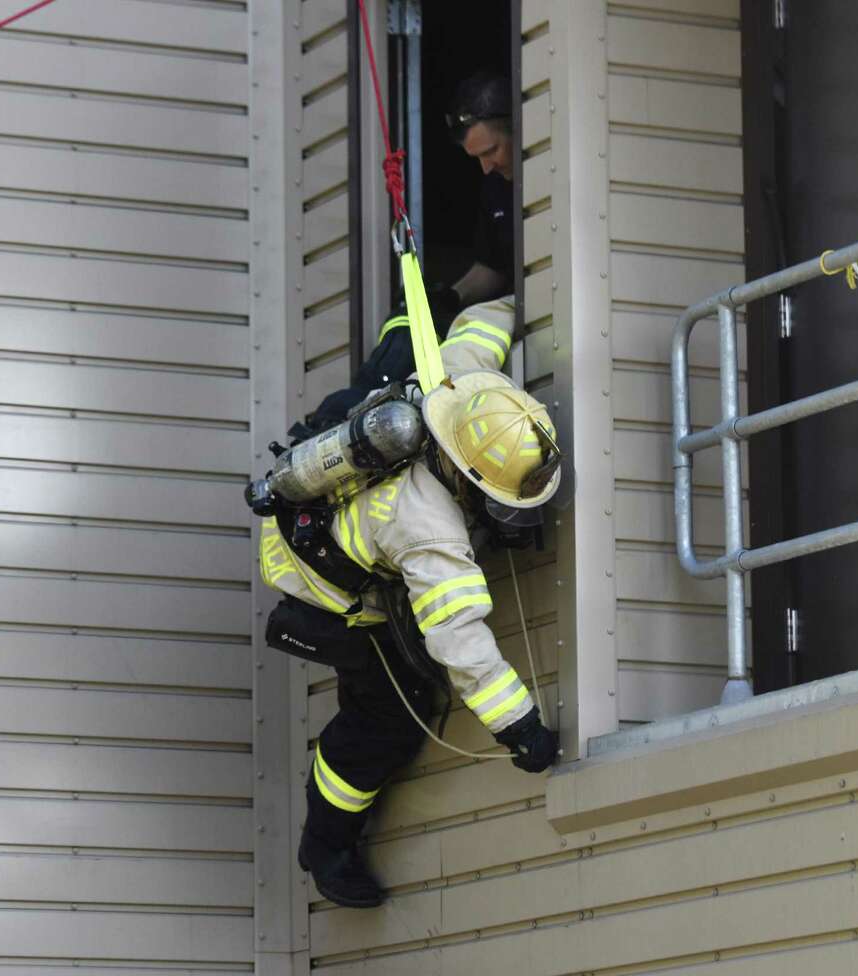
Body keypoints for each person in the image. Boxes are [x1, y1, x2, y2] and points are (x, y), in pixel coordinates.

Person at [255, 312, 560, 910]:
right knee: (389, 719)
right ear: (469, 476)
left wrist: (496, 304)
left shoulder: (462, 385)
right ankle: (325, 849)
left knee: (404, 347)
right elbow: (457, 638)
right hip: (314, 579)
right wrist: (520, 727)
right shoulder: (428, 530)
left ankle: (413, 299)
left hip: (330, 431)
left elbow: (479, 330)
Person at [301, 68, 517, 435]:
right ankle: (356, 406)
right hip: (499, 304)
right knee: (410, 319)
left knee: (471, 328)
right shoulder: (494, 188)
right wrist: (448, 295)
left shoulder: (546, 170)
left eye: (491, 151)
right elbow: (491, 267)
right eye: (476, 158)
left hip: (524, 307)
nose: (486, 167)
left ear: (518, 124)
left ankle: (423, 399)